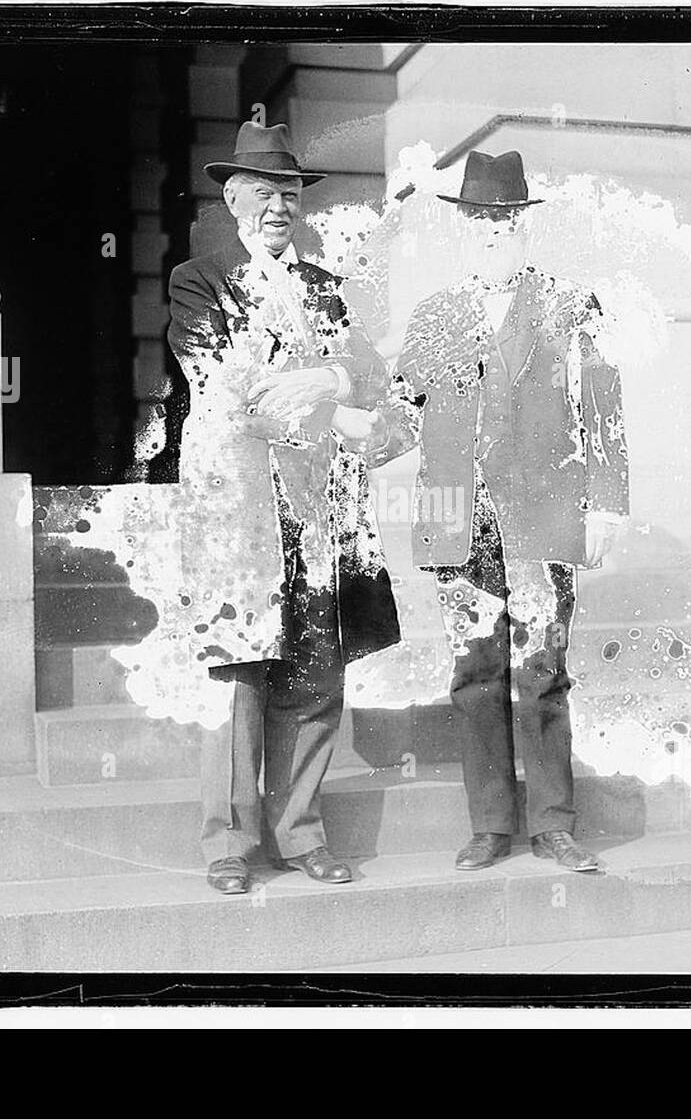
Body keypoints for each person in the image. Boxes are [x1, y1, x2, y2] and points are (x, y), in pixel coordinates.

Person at [366, 150, 631, 872]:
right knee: (475, 671)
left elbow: (604, 409)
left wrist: (605, 506)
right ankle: (489, 824)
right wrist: (345, 437)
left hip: (544, 517)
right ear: (463, 230)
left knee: (541, 667)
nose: (491, 232)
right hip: (458, 518)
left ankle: (552, 822)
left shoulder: (571, 304)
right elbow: (398, 412)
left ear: (524, 227)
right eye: (479, 220)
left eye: (504, 220)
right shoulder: (435, 316)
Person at [166, 122, 399, 895]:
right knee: (239, 673)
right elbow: (226, 386)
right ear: (232, 201)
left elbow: (371, 373)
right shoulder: (198, 280)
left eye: (289, 194)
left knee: (315, 670)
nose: (278, 207)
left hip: (321, 510)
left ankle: (300, 831)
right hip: (237, 507)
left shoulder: (329, 289)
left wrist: (330, 383)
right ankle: (229, 842)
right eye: (263, 193)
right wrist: (336, 400)